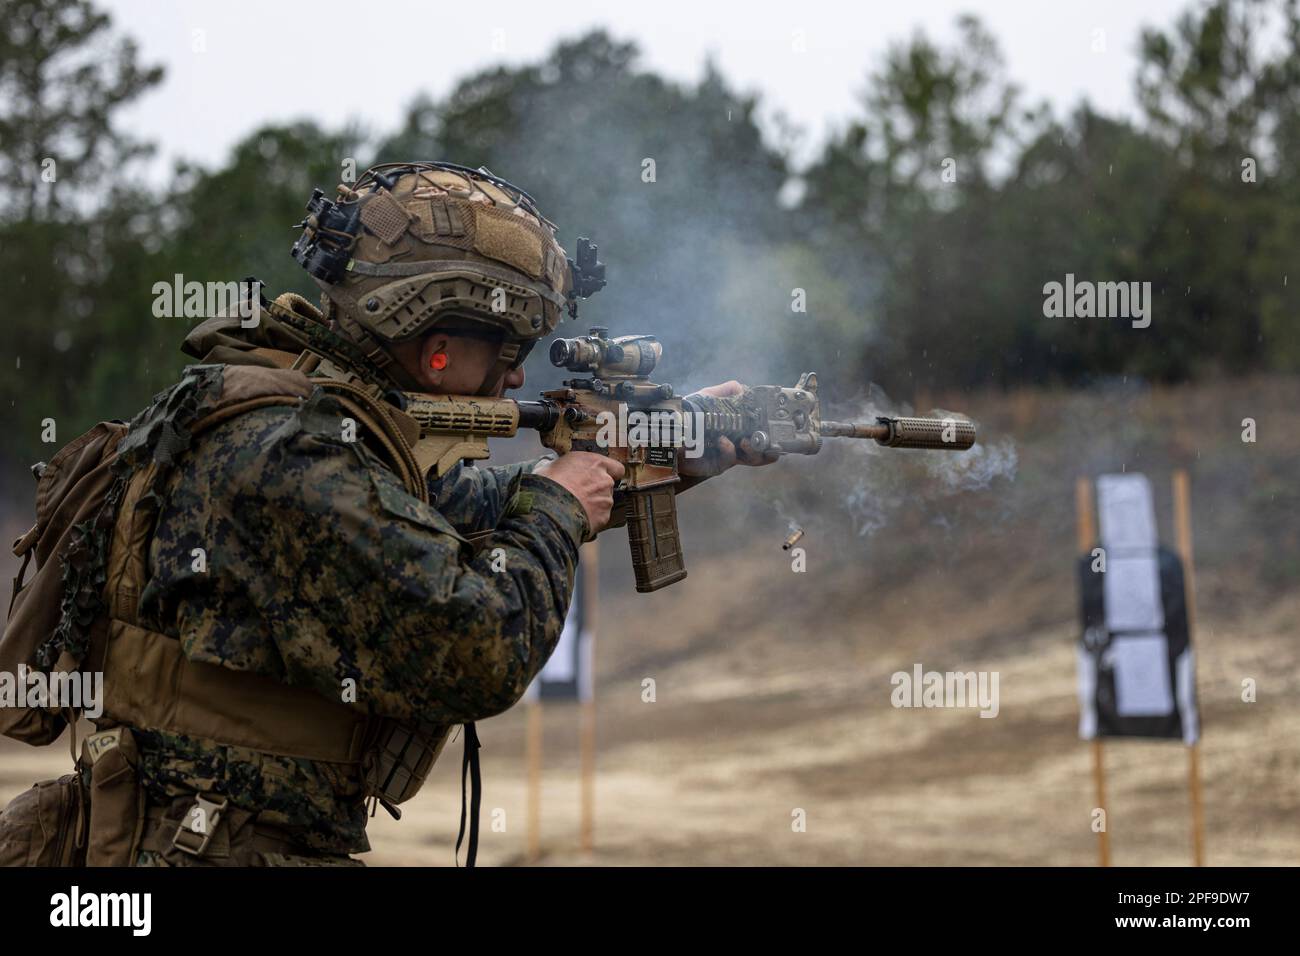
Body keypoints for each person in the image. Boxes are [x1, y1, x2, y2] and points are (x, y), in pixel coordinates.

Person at [0, 161, 767, 867]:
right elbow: (474, 648)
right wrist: (559, 504)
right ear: (433, 341)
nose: (518, 372)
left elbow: (465, 512)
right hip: (211, 845)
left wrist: (655, 458)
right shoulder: (290, 451)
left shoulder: (310, 417)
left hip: (205, 836)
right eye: (504, 345)